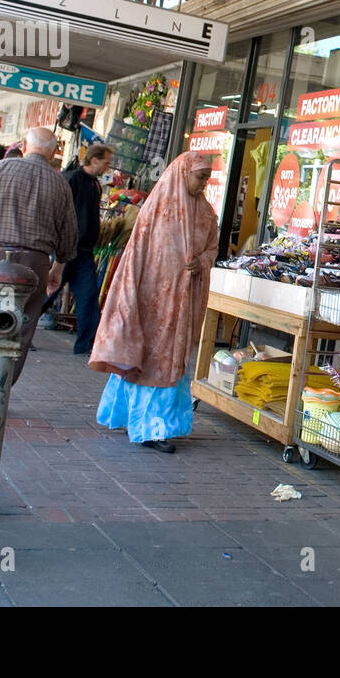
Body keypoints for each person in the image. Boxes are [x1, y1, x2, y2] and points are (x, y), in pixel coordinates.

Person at [89, 152, 217, 454]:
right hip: (150, 301)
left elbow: (212, 248)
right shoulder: (157, 208)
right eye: (200, 176)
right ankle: (149, 427)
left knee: (167, 359)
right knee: (148, 357)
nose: (204, 183)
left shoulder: (206, 213)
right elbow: (137, 255)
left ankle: (148, 422)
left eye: (207, 178)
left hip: (183, 302)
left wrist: (200, 262)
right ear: (183, 173)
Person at [0, 128, 77, 384]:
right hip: (35, 263)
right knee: (20, 329)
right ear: (54, 152)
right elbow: (69, 235)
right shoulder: (60, 183)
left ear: (24, 146)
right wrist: (57, 268)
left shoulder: (0, 169)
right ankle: (0, 390)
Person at [43, 143, 112, 355]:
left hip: (84, 251)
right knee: (47, 293)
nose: (107, 167)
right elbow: (56, 210)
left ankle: (85, 345)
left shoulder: (95, 184)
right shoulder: (71, 179)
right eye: (106, 162)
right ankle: (20, 330)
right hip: (65, 249)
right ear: (94, 160)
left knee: (88, 296)